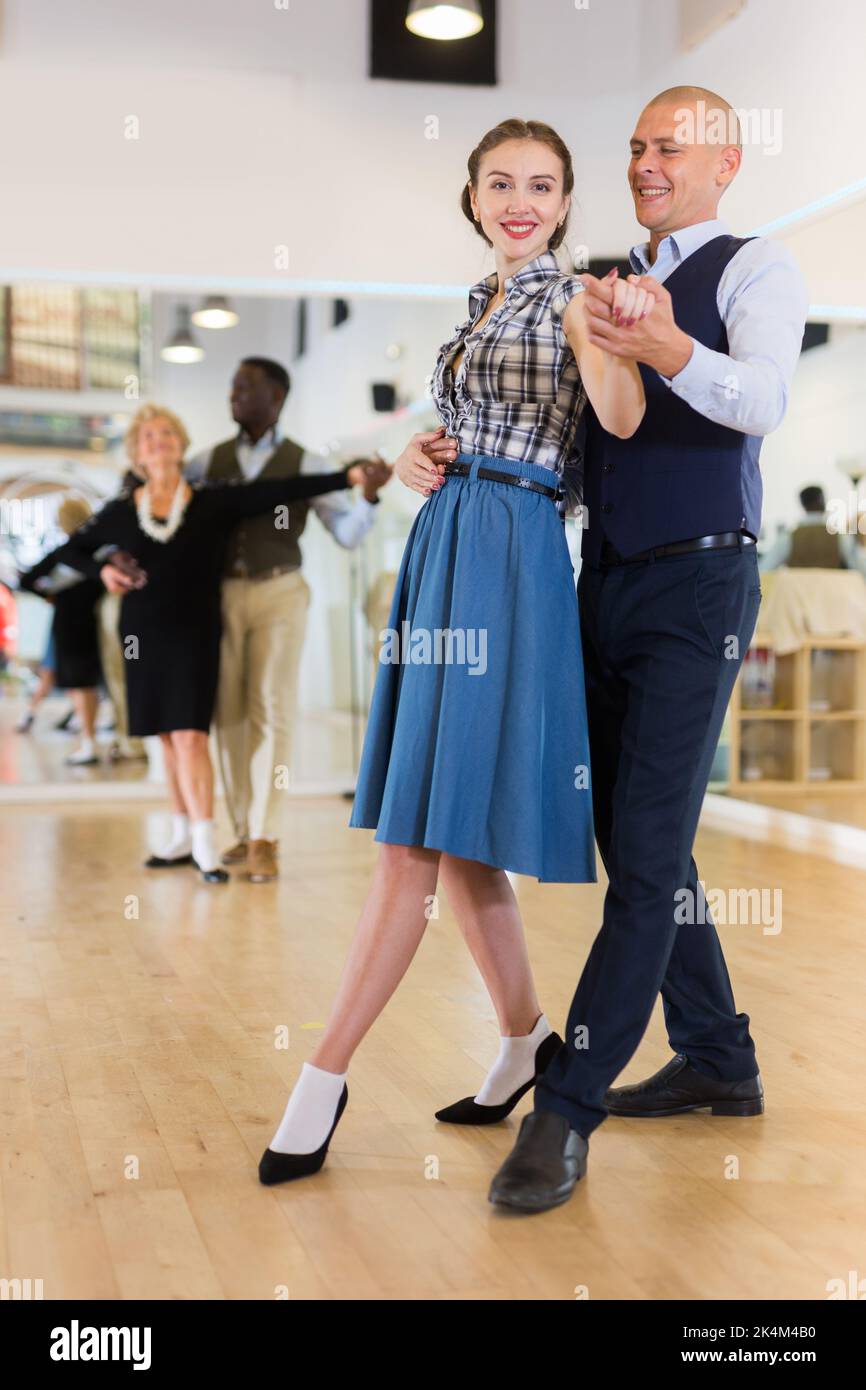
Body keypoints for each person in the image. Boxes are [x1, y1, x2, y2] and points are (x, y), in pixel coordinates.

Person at [258, 118, 658, 1187]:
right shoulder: (477, 302)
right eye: (500, 183)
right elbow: (454, 425)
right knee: (461, 838)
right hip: (445, 542)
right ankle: (527, 1039)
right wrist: (408, 456)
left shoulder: (572, 298)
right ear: (473, 197)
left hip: (512, 553)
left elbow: (615, 418)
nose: (519, 200)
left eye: (540, 185)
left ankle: (321, 1076)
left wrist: (619, 339)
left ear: (566, 202)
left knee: (412, 843)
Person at [480, 87, 810, 1213]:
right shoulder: (604, 275)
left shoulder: (756, 269)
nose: (644, 162)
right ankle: (716, 1053)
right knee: (637, 842)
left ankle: (563, 1106)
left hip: (701, 578)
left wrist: (670, 345)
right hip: (602, 577)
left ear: (723, 160)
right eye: (633, 147)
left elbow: (759, 398)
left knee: (652, 844)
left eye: (667, 146)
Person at [38, 403, 380, 883]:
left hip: (196, 632)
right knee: (166, 737)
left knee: (192, 734)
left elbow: (280, 490)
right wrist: (104, 569)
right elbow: (70, 548)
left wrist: (345, 478)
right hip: (141, 633)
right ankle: (180, 833)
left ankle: (204, 842)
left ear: (180, 444)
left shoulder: (209, 500)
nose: (158, 441)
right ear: (137, 451)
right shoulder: (122, 509)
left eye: (166, 433)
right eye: (148, 436)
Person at [186, 358, 390, 883]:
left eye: (244, 385)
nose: (233, 393)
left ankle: (265, 836)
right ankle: (237, 829)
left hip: (281, 589)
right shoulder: (207, 461)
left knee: (273, 710)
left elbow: (345, 533)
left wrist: (366, 496)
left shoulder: (305, 463)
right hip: (220, 594)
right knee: (227, 714)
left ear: (275, 395)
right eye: (232, 384)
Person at [19, 496, 106, 766]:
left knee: (80, 684)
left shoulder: (67, 552)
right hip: (99, 623)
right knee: (89, 682)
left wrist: (49, 594)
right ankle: (92, 738)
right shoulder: (99, 551)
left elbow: (27, 580)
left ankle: (89, 740)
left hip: (70, 624)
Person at [759, 485, 866, 572]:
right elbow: (860, 567)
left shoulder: (789, 537)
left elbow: (764, 569)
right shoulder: (840, 537)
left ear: (803, 504)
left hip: (799, 597)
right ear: (822, 501)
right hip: (834, 596)